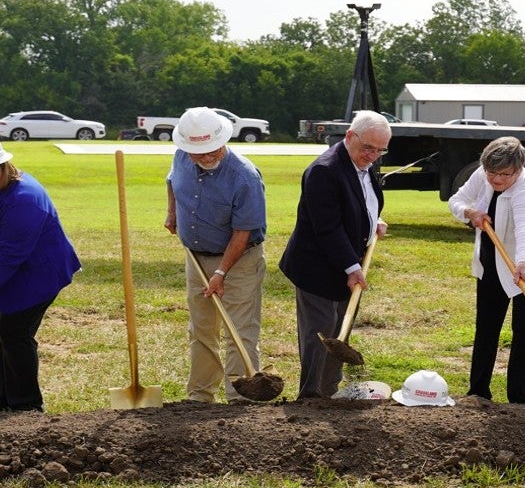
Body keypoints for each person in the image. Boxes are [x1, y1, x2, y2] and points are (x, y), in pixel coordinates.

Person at [0, 132, 81, 412]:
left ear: (4, 167)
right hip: (0, 274)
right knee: (1, 333)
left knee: (14, 333)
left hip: (35, 274)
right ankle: (0, 399)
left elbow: (10, 256)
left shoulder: (25, 199)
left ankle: (26, 405)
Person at [280, 110, 390, 399]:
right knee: (320, 332)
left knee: (341, 331)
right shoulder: (324, 170)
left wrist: (372, 219)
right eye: (369, 148)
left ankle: (330, 393)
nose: (374, 156)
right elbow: (326, 228)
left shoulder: (362, 162)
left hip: (345, 261)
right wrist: (352, 267)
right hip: (316, 265)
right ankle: (311, 396)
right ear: (350, 136)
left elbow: (358, 201)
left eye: (381, 150)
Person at [165, 107, 267, 403]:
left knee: (240, 330)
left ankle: (240, 398)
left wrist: (221, 273)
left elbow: (243, 232)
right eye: (200, 153)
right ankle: (200, 397)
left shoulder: (244, 177)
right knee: (201, 328)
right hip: (196, 257)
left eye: (212, 150)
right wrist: (172, 213)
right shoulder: (181, 155)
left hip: (240, 259)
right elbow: (172, 181)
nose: (207, 157)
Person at [448, 136, 525, 403]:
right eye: (491, 173)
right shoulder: (483, 173)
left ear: (518, 170)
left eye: (504, 175)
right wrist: (469, 212)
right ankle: (478, 392)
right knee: (486, 324)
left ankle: (518, 399)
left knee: (523, 326)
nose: (496, 180)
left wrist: (521, 264)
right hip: (490, 254)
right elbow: (457, 199)